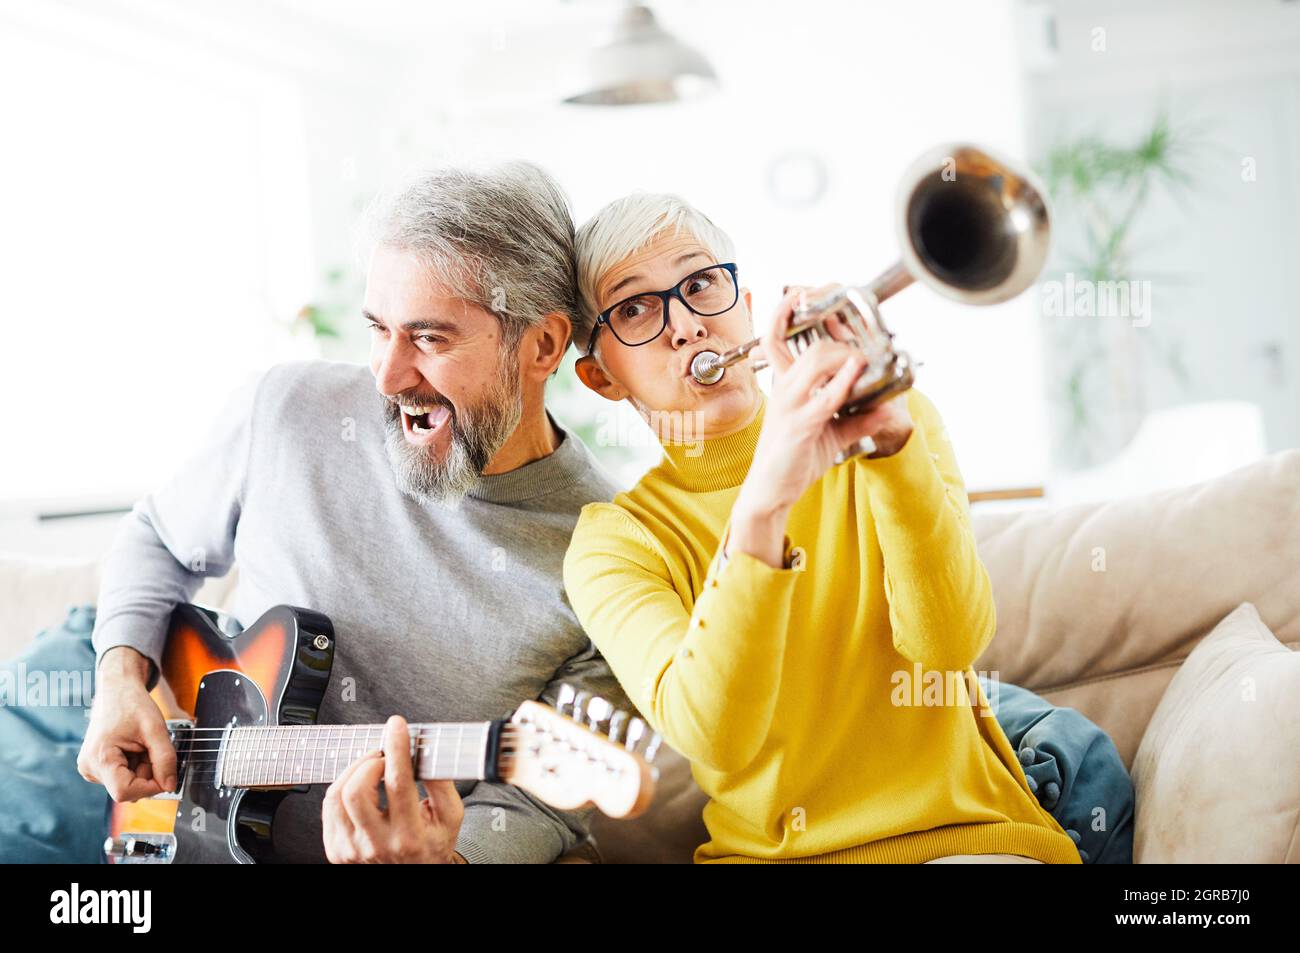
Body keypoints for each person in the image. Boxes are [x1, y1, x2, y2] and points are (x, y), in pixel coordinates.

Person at [74, 161, 631, 864]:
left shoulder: (611, 546)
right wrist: (120, 679)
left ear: (542, 345)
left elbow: (539, 806)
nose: (388, 376)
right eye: (378, 328)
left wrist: (443, 862)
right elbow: (156, 536)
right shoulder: (286, 410)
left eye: (430, 338)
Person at [562, 192, 1134, 864]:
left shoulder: (899, 413)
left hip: (960, 841)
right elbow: (715, 733)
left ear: (746, 307)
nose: (686, 325)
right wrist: (766, 497)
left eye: (701, 283)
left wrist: (894, 453)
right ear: (600, 377)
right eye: (634, 308)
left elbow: (949, 645)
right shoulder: (614, 543)